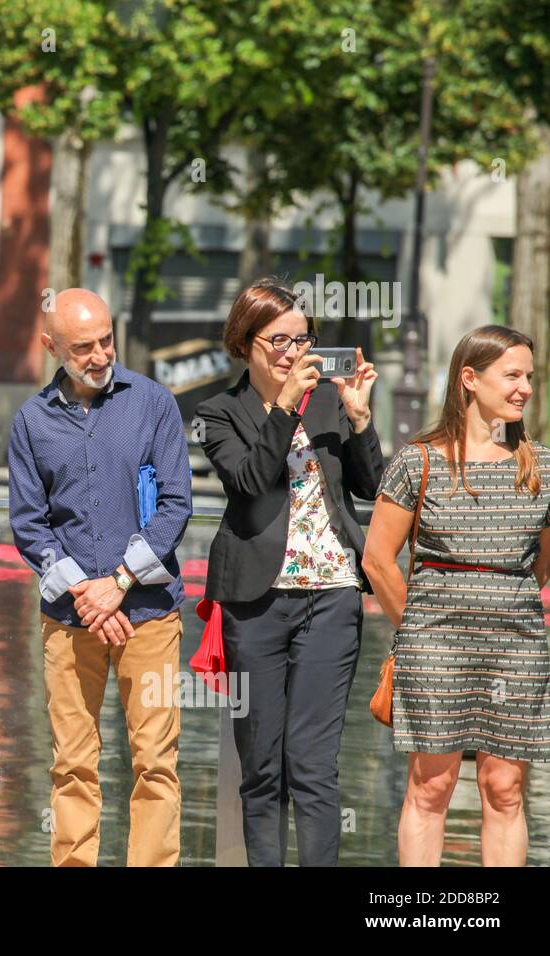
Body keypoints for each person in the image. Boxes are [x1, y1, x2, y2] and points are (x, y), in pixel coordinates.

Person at [196, 278, 383, 866]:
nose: (291, 352)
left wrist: (359, 422)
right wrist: (281, 408)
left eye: (301, 340)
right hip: (256, 601)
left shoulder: (328, 398)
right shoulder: (218, 412)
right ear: (244, 341)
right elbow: (249, 483)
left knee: (313, 763)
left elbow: (372, 486)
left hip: (331, 595)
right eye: (278, 340)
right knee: (262, 765)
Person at [8, 288, 191, 867]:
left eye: (106, 339)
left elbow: (176, 504)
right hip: (69, 618)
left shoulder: (153, 403)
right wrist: (89, 594)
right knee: (72, 762)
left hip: (150, 613)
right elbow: (29, 526)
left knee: (156, 762)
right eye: (83, 346)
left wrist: (118, 583)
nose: (99, 354)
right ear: (50, 347)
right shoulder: (31, 422)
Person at [364, 325, 550, 867]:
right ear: (469, 378)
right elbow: (378, 559)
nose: (525, 389)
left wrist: (502, 600)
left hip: (518, 649)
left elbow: (545, 560)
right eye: (512, 375)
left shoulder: (542, 466)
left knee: (504, 788)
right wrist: (419, 627)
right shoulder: (417, 462)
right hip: (434, 647)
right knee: (431, 787)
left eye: (530, 378)